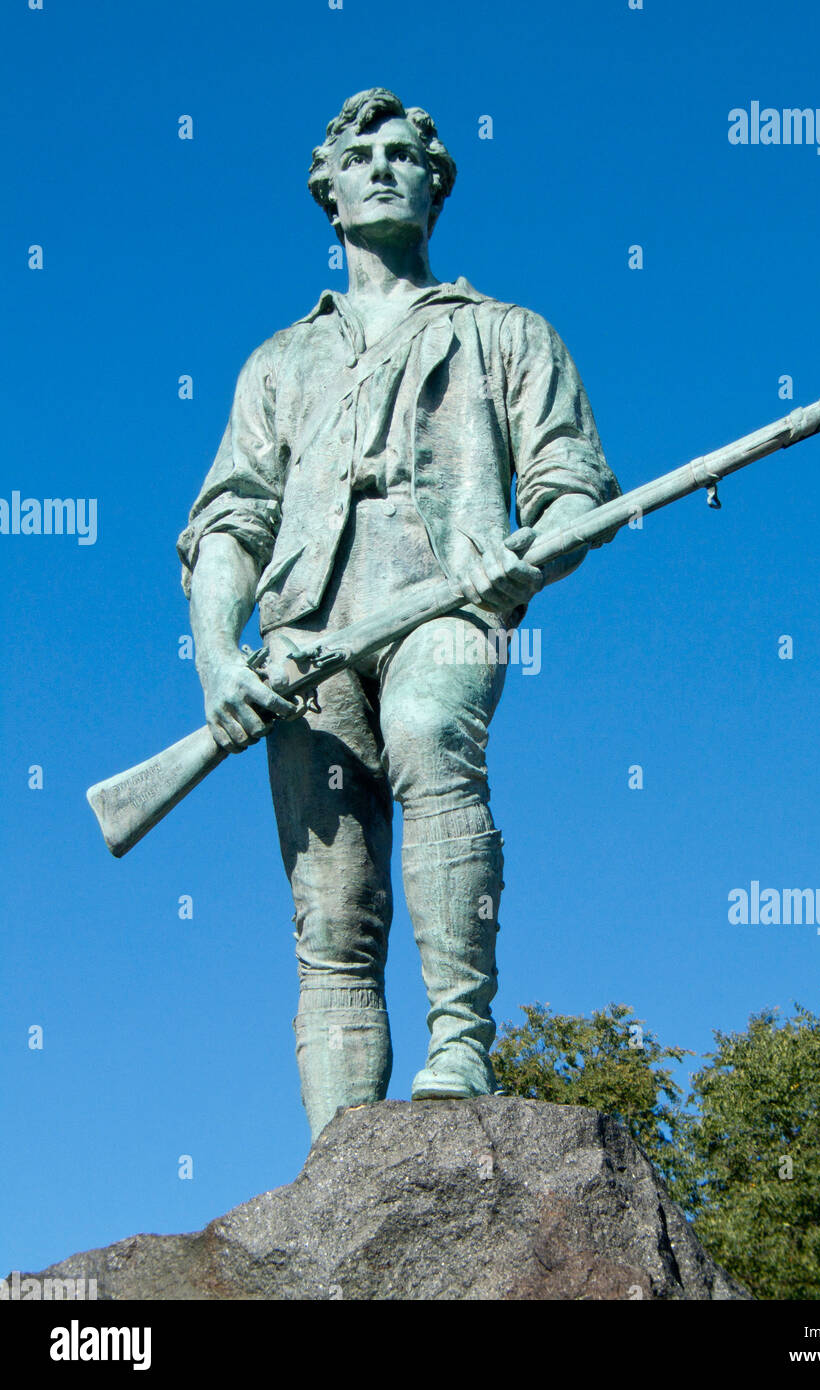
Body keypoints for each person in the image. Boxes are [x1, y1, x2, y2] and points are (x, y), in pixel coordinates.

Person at [177, 87, 620, 1139]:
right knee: (332, 910)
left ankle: (458, 1037)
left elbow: (571, 483)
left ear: (435, 186)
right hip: (304, 636)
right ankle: (339, 1165)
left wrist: (531, 545)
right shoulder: (277, 363)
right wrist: (215, 657)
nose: (382, 167)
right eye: (359, 154)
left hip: (446, 604)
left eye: (404, 154)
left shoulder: (508, 334)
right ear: (325, 192)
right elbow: (228, 522)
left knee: (429, 733)